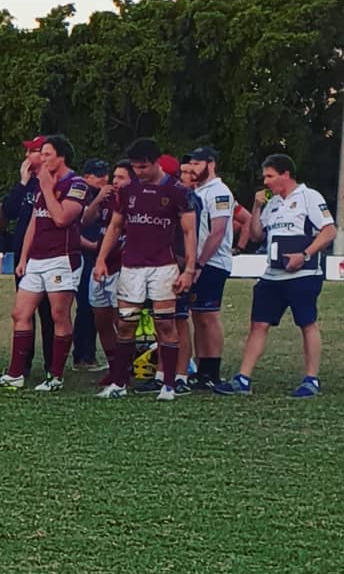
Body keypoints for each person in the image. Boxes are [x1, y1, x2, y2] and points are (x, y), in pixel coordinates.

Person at [214, 154, 337, 397]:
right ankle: (243, 379)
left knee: (307, 323)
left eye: (270, 176)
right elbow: (256, 235)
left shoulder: (309, 197)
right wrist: (257, 207)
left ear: (286, 174)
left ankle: (311, 380)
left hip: (303, 274)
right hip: (272, 275)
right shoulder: (272, 203)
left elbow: (329, 231)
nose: (266, 182)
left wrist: (304, 254)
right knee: (259, 324)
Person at [94, 139, 196, 401]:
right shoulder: (128, 190)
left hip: (163, 267)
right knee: (125, 323)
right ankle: (119, 383)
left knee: (165, 323)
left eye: (143, 167)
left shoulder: (177, 191)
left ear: (156, 162)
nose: (138, 172)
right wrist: (101, 259)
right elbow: (116, 226)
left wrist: (189, 270)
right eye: (135, 167)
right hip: (131, 267)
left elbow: (189, 231)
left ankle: (168, 385)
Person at [0, 136, 89, 392]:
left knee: (58, 315)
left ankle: (55, 375)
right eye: (42, 154)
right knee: (20, 313)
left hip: (61, 259)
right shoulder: (40, 183)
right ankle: (15, 373)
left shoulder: (76, 184)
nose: (42, 159)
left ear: (61, 157)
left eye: (47, 154)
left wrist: (47, 188)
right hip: (36, 259)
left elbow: (62, 218)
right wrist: (24, 257)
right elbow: (34, 223)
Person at [2, 135, 54, 379]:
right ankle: (23, 362)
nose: (26, 156)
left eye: (31, 151)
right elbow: (8, 212)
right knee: (24, 311)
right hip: (24, 256)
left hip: (49, 254)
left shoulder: (57, 181)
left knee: (50, 312)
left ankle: (52, 364)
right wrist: (22, 182)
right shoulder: (28, 183)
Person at [186, 146, 235, 390]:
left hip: (212, 262)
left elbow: (218, 232)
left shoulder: (219, 192)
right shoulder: (198, 191)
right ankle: (201, 368)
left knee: (209, 316)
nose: (193, 168)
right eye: (192, 164)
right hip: (197, 261)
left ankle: (212, 371)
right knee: (198, 315)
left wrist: (200, 263)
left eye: (198, 163)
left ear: (211, 164)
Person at [81, 161, 132, 387]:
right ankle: (113, 367)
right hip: (100, 266)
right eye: (115, 177)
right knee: (101, 319)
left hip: (122, 267)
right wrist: (98, 199)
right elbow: (85, 221)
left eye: (121, 177)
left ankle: (124, 369)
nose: (114, 181)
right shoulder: (107, 199)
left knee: (122, 321)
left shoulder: (135, 202)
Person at [73, 158, 110, 370]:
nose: (104, 179)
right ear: (86, 177)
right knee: (86, 306)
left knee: (99, 306)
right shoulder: (80, 194)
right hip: (85, 255)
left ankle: (90, 354)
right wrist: (93, 246)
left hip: (101, 256)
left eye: (106, 174)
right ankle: (82, 355)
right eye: (98, 175)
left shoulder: (108, 196)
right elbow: (76, 226)